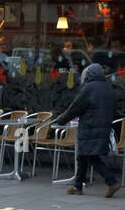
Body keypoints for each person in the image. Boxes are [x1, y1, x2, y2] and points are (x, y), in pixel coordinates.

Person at [50, 50, 121, 197]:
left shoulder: (88, 88)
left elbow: (75, 108)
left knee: (90, 157)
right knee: (82, 156)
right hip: (103, 127)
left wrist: (60, 120)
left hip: (89, 127)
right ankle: (78, 186)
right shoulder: (107, 88)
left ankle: (111, 181)